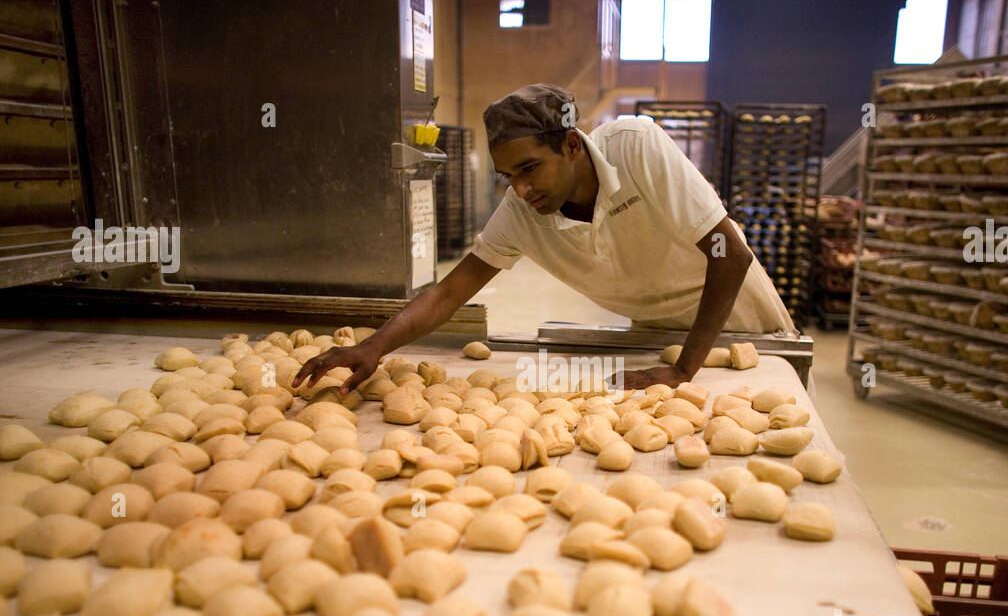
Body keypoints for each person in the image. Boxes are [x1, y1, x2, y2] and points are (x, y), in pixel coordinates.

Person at [295, 83, 793, 394]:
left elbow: (730, 254)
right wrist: (374, 347)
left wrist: (685, 370)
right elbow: (448, 293)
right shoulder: (521, 212)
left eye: (530, 168)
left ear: (572, 145)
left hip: (739, 321)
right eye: (508, 176)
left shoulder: (636, 147)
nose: (521, 189)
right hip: (656, 335)